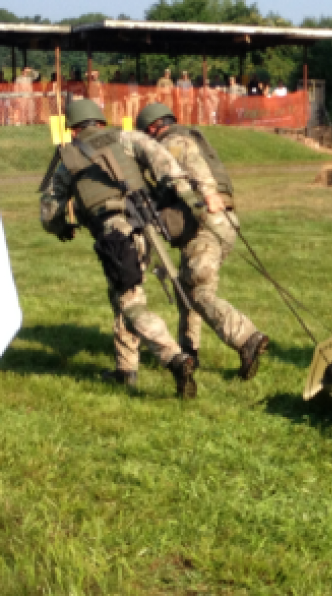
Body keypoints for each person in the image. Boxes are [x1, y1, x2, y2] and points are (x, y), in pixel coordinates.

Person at [39, 99, 211, 398]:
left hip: (115, 234)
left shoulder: (69, 158)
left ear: (74, 128)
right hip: (148, 227)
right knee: (123, 295)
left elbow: (50, 208)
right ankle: (125, 368)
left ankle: (174, 357)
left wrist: (61, 228)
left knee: (130, 303)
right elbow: (161, 159)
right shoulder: (126, 138)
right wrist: (184, 190)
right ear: (100, 121)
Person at [135, 103, 270, 380]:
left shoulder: (174, 142)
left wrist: (207, 196)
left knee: (199, 294)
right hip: (225, 220)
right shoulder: (193, 135)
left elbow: (194, 169)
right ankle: (189, 351)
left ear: (152, 128)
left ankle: (246, 338)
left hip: (206, 222)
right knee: (188, 287)